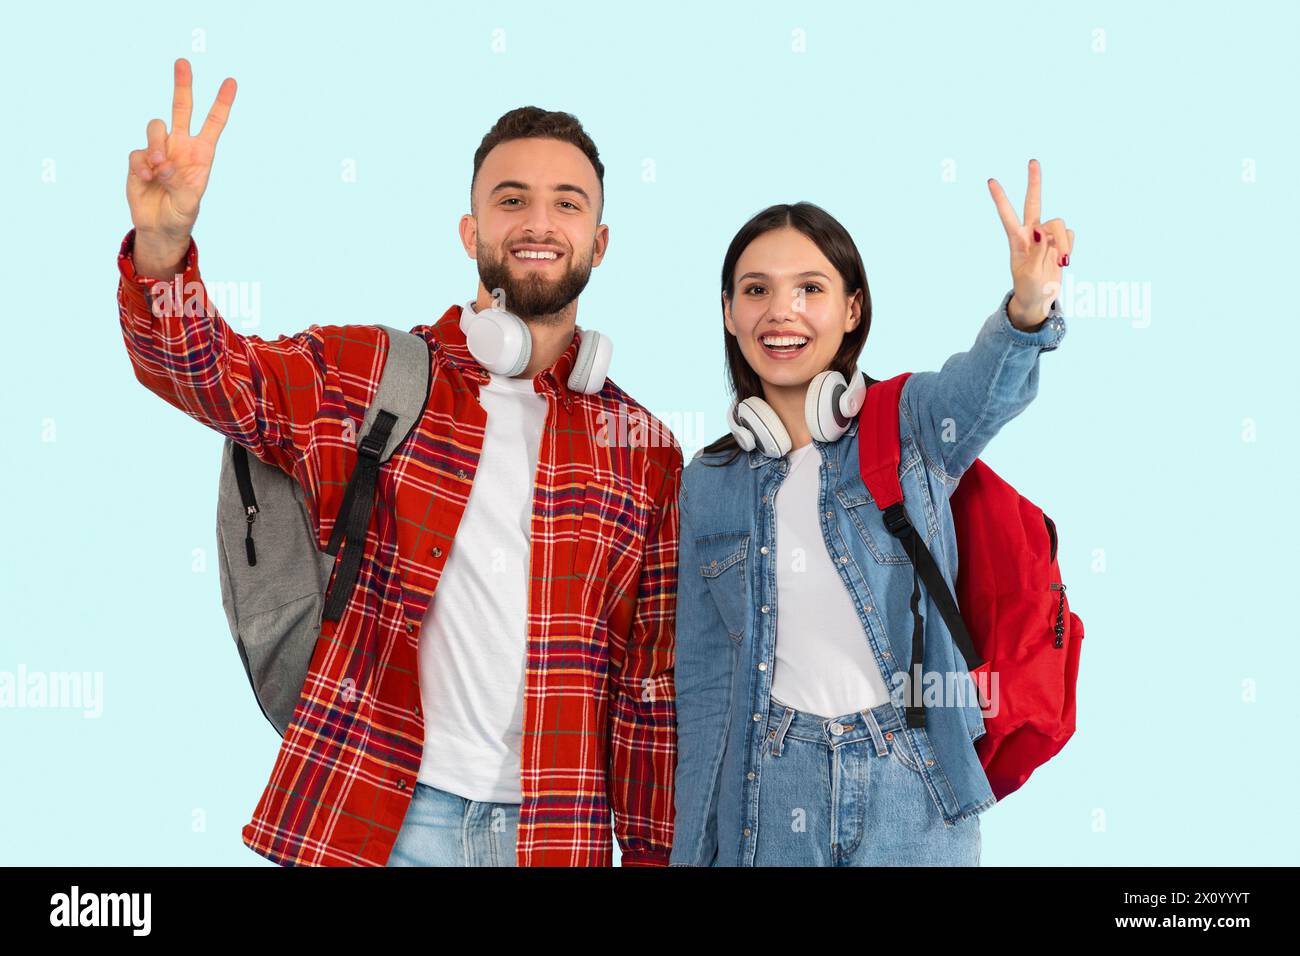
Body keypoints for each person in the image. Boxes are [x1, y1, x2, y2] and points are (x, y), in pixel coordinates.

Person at [119, 58, 681, 867]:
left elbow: (647, 687)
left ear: (598, 240)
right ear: (470, 231)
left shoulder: (646, 449)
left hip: (557, 833)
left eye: (567, 203)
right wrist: (163, 250)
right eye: (511, 198)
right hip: (383, 815)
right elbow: (208, 373)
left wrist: (655, 854)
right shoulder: (371, 374)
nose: (538, 222)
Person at [670, 167, 1073, 866]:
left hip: (911, 772)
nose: (780, 311)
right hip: (773, 776)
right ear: (730, 312)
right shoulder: (708, 483)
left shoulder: (908, 423)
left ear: (852, 309)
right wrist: (693, 849)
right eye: (756, 290)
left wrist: (1028, 306)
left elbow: (984, 392)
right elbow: (706, 683)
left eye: (810, 288)